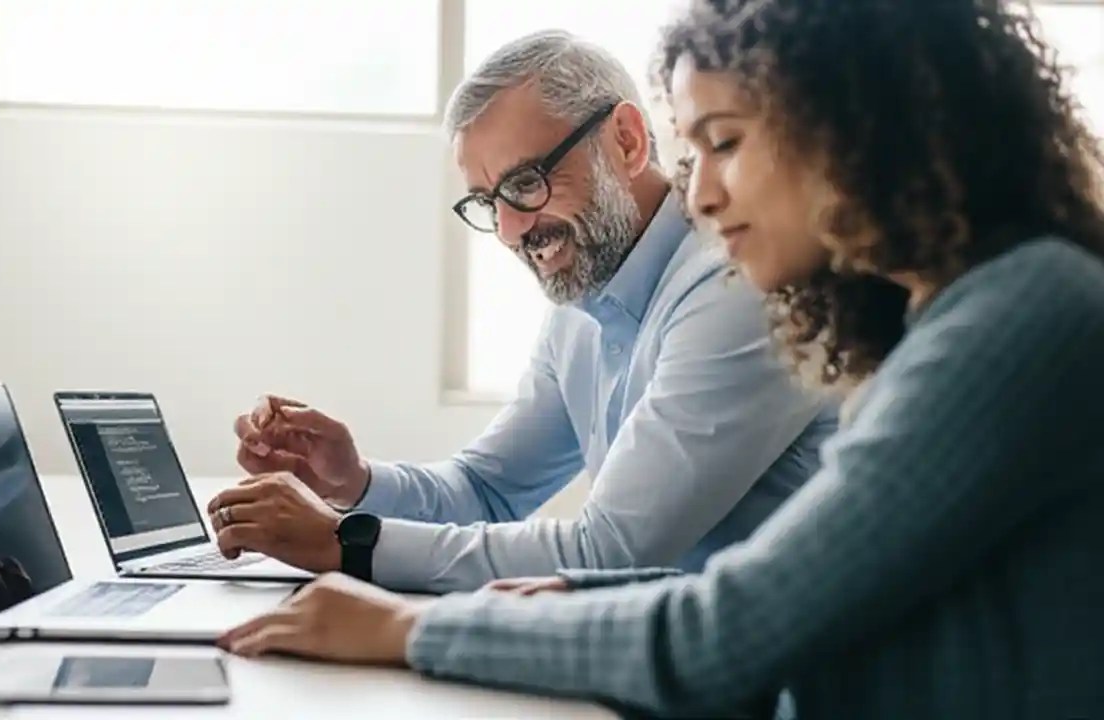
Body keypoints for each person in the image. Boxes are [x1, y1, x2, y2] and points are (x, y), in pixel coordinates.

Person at [211, 1, 1104, 718]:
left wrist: (408, 625)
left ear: (854, 122)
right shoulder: (946, 320)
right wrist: (536, 591)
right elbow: (749, 592)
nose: (703, 191)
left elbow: (728, 627)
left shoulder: (1018, 319)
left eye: (723, 143)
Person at [205, 30, 837, 594]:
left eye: (526, 183)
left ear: (626, 140)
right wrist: (352, 482)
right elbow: (487, 491)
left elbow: (609, 550)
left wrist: (344, 543)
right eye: (487, 202)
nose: (509, 230)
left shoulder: (737, 283)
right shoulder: (582, 305)